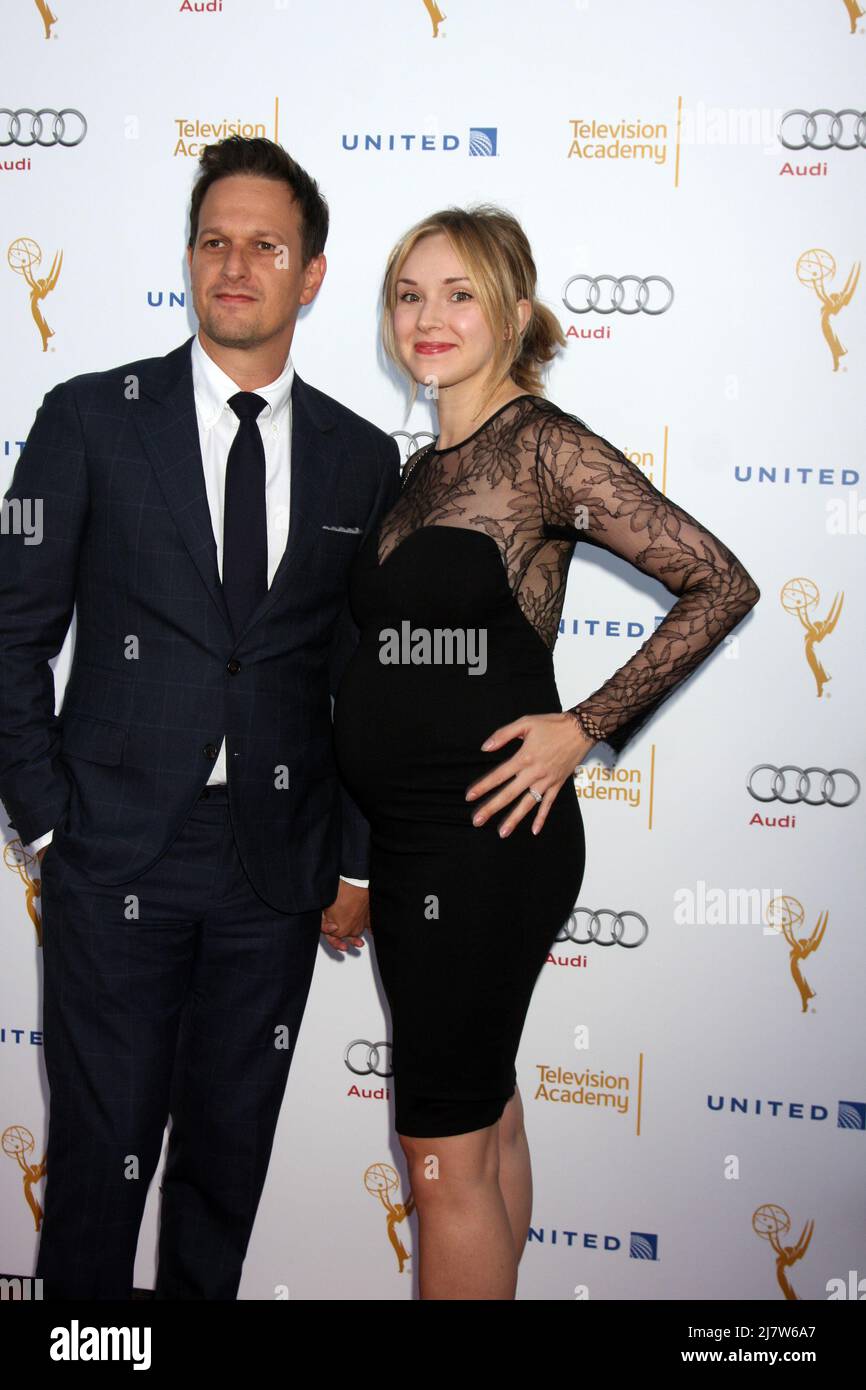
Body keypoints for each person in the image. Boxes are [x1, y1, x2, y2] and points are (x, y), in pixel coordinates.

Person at [331, 204, 761, 1299]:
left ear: (514, 312)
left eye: (458, 292)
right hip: (422, 846)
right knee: (478, 1120)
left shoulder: (538, 447)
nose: (427, 316)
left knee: (439, 1164)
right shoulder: (420, 466)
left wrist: (585, 724)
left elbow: (719, 581)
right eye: (407, 294)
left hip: (485, 845)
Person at [0, 135, 399, 1299]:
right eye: (215, 241)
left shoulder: (359, 456)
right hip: (110, 852)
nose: (237, 265)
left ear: (309, 275)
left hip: (272, 873)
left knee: (224, 1172)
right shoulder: (86, 418)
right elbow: (13, 629)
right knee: (95, 1170)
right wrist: (50, 824)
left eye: (265, 245)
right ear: (188, 257)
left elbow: (364, 676)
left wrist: (356, 858)